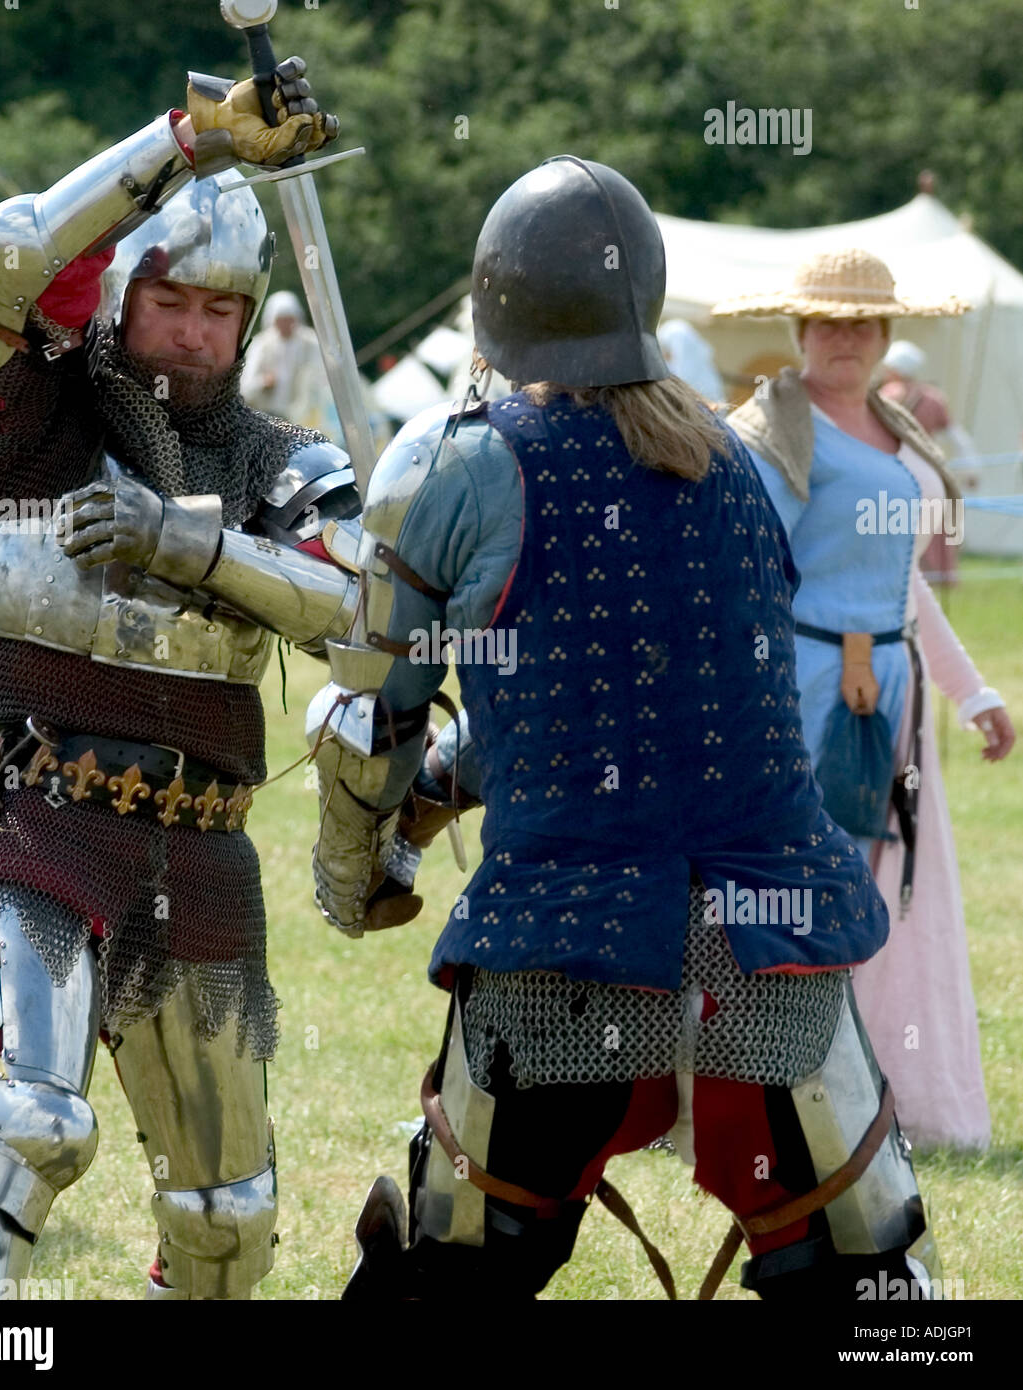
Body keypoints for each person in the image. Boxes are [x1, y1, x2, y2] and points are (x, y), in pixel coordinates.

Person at [304, 158, 944, 1300]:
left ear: (493, 301)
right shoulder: (735, 462)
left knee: (450, 1263)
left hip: (573, 932)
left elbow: (372, 719)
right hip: (769, 928)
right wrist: (455, 779)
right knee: (871, 1280)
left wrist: (354, 871)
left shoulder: (456, 458)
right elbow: (575, 707)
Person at [0, 64, 365, 1300]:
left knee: (229, 1216)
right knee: (24, 1123)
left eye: (223, 312)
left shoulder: (281, 462)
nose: (197, 332)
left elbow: (363, 613)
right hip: (34, 823)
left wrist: (189, 542)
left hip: (200, 852)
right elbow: (10, 254)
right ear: (122, 293)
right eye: (170, 300)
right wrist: (191, 140)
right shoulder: (33, 412)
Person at [714, 249, 1015, 1151]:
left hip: (895, 694)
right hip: (805, 689)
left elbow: (905, 589)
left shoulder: (895, 426)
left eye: (862, 323)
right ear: (800, 331)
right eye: (827, 321)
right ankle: (780, 1098)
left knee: (900, 892)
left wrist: (972, 692)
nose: (844, 337)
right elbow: (747, 572)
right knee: (805, 884)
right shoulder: (771, 429)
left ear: (886, 335)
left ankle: (905, 1099)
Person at [879, 339, 976, 587]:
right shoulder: (934, 398)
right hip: (927, 473)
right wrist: (971, 469)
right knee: (930, 531)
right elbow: (957, 438)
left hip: (891, 473)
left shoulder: (884, 396)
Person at [241, 288, 330, 429]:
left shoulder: (310, 343)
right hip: (267, 420)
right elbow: (246, 387)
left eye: (289, 319)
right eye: (281, 320)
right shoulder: (261, 345)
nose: (285, 324)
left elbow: (323, 380)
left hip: (306, 420)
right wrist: (264, 382)